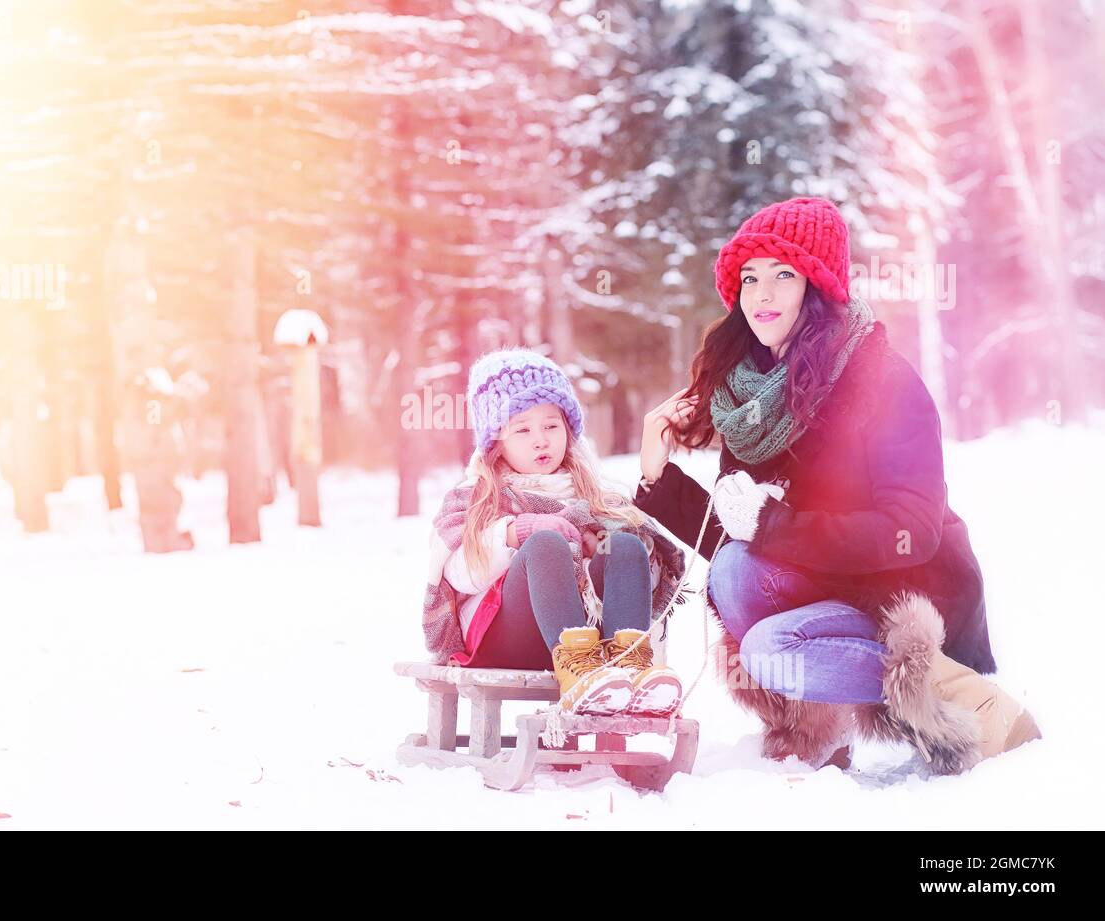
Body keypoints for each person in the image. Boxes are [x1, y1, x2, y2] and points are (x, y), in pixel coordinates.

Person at [634, 196, 1039, 774]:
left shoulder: (884, 381)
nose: (761, 295)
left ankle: (950, 689)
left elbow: (911, 534)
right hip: (824, 593)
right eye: (750, 278)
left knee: (768, 652)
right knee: (733, 573)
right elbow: (745, 544)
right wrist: (658, 474)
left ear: (818, 288)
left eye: (783, 275)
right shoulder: (750, 397)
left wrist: (771, 523)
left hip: (903, 598)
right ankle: (817, 728)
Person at [422, 349, 685, 716]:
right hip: (506, 638)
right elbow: (460, 573)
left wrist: (597, 545)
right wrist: (514, 533)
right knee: (546, 542)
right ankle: (581, 675)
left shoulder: (595, 498)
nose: (541, 440)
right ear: (497, 442)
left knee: (624, 544)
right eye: (523, 429)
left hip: (593, 641)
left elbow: (644, 570)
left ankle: (629, 665)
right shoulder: (478, 496)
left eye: (551, 425)